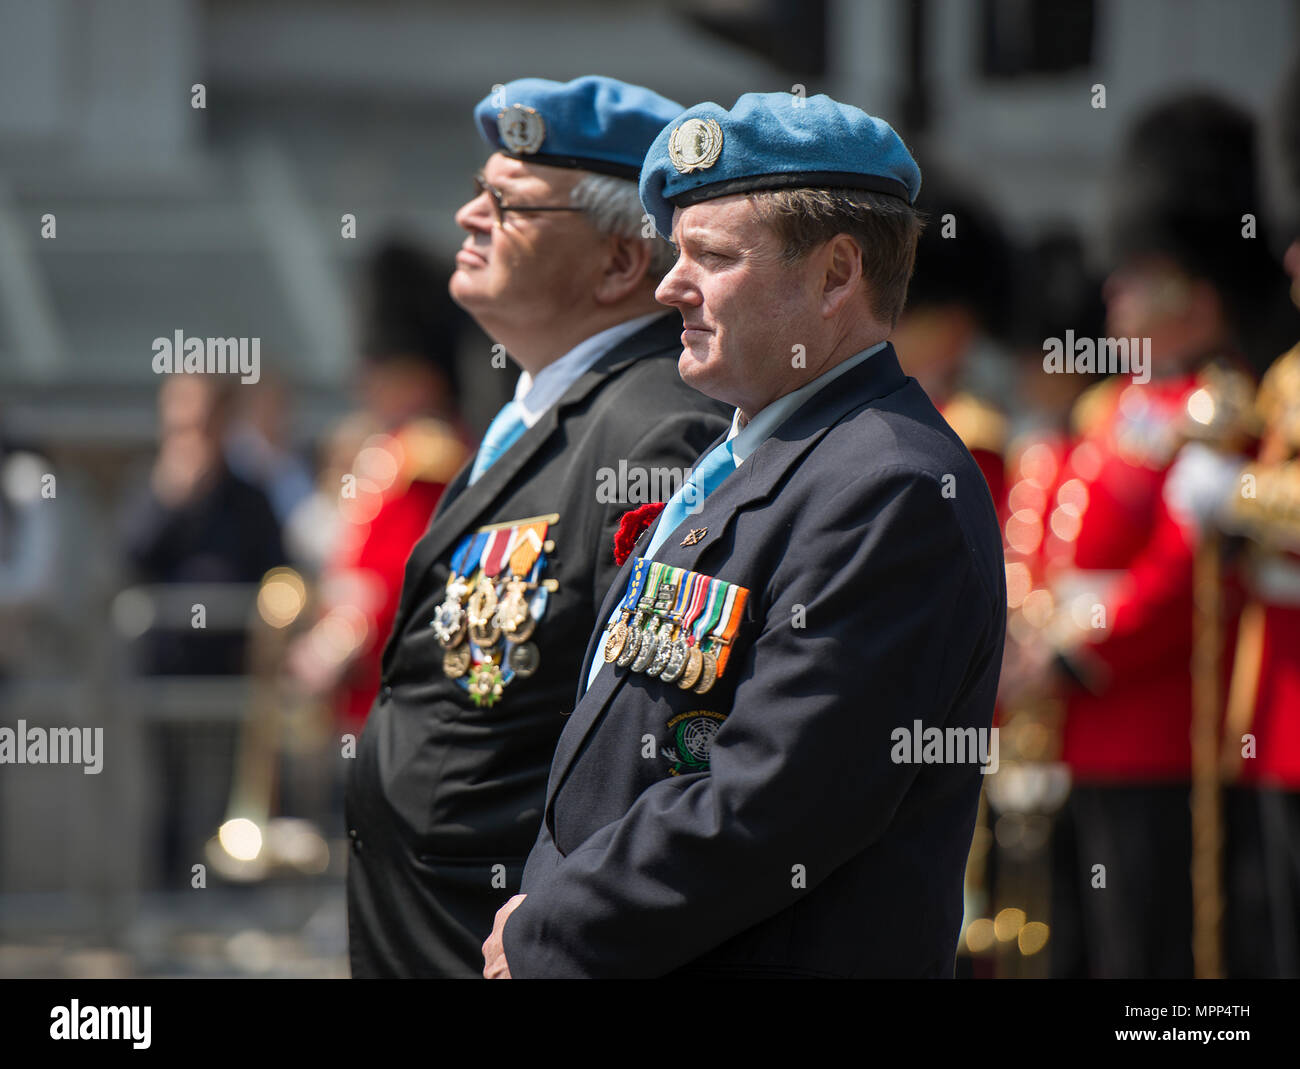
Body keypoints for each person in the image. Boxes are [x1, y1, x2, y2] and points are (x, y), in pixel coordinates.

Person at [483, 91, 1006, 978]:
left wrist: (555, 928)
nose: (668, 286)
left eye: (712, 257)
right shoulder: (764, 454)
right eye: (675, 252)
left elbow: (776, 798)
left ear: (837, 275)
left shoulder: (888, 486)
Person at [345, 76, 729, 977]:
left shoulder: (655, 430)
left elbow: (659, 731)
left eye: (508, 204)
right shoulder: (538, 413)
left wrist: (565, 924)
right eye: (480, 192)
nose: (469, 215)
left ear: (618, 264)